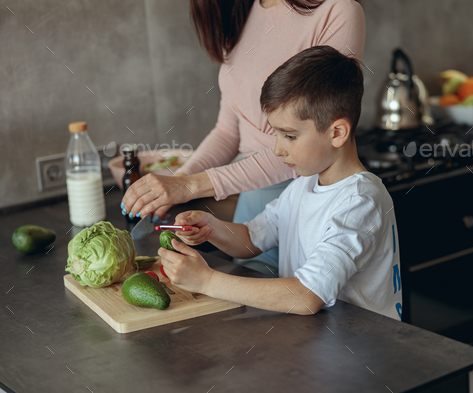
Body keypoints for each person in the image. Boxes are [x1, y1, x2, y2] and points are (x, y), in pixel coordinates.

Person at [158, 46, 402, 320]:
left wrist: (207, 282)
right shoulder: (304, 185)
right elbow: (253, 238)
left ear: (337, 133)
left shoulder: (360, 201)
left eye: (289, 136)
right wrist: (211, 228)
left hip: (362, 354)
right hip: (320, 345)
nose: (277, 149)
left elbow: (306, 297)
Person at [120, 0, 366, 272]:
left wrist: (191, 185)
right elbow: (228, 132)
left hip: (307, 194)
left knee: (311, 305)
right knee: (252, 305)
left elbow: (308, 144)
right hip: (251, 199)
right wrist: (178, 184)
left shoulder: (337, 10)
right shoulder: (237, 13)